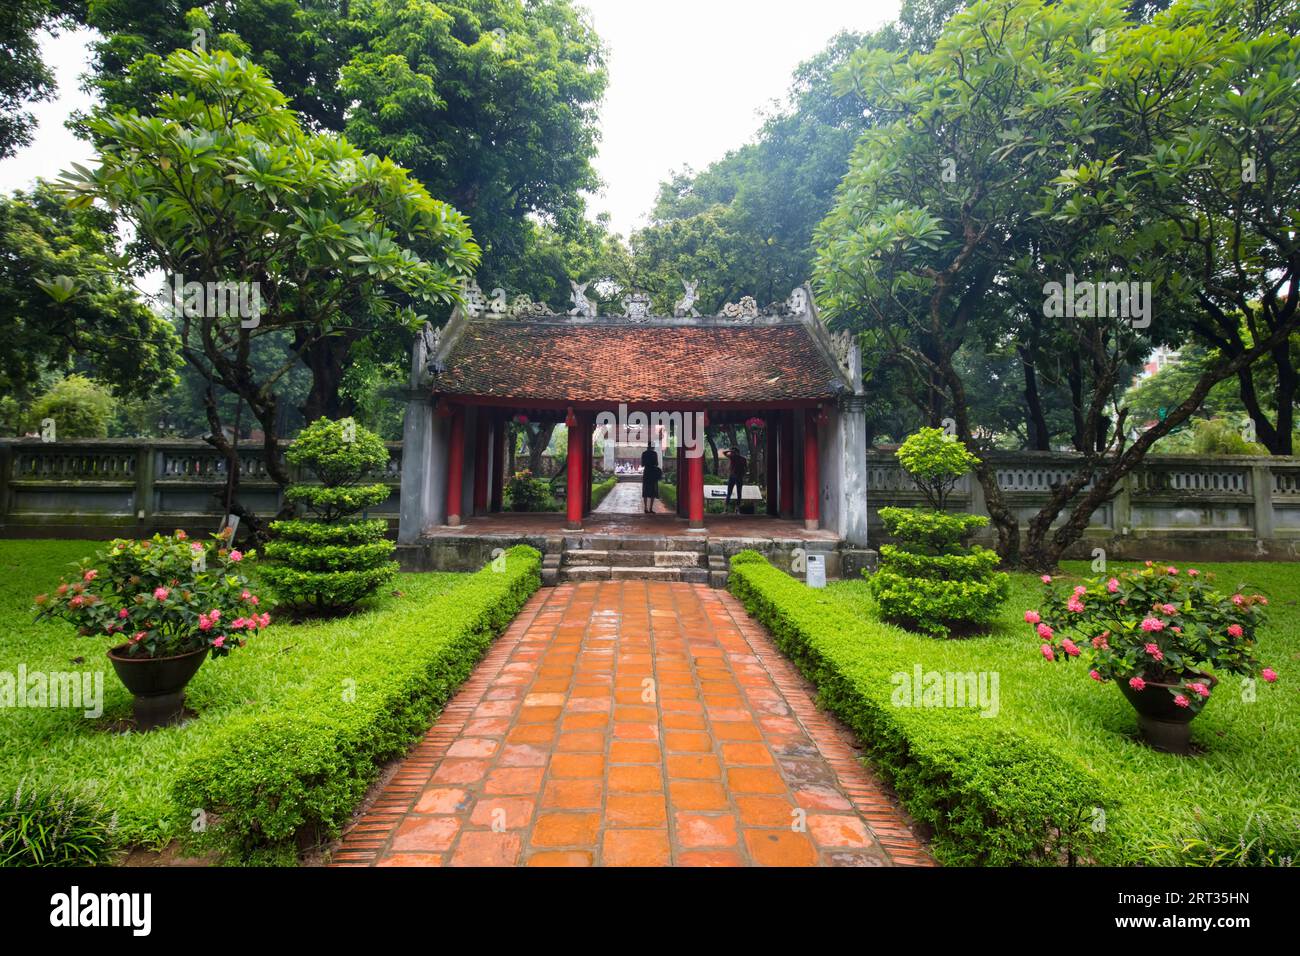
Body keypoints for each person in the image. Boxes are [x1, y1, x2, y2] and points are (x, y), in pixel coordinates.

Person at [722, 446, 747, 512]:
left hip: (735, 476)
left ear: (736, 452)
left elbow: (724, 453)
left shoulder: (733, 457)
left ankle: (729, 509)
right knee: (736, 493)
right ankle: (733, 508)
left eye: (732, 452)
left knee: (731, 493)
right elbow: (745, 468)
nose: (731, 453)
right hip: (736, 476)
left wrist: (730, 451)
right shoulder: (742, 458)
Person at [640, 440, 661, 513]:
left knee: (645, 490)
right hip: (653, 473)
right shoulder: (655, 453)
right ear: (653, 447)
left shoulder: (644, 453)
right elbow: (657, 464)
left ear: (647, 446)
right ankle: (651, 508)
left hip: (646, 472)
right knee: (653, 491)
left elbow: (642, 464)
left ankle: (645, 508)